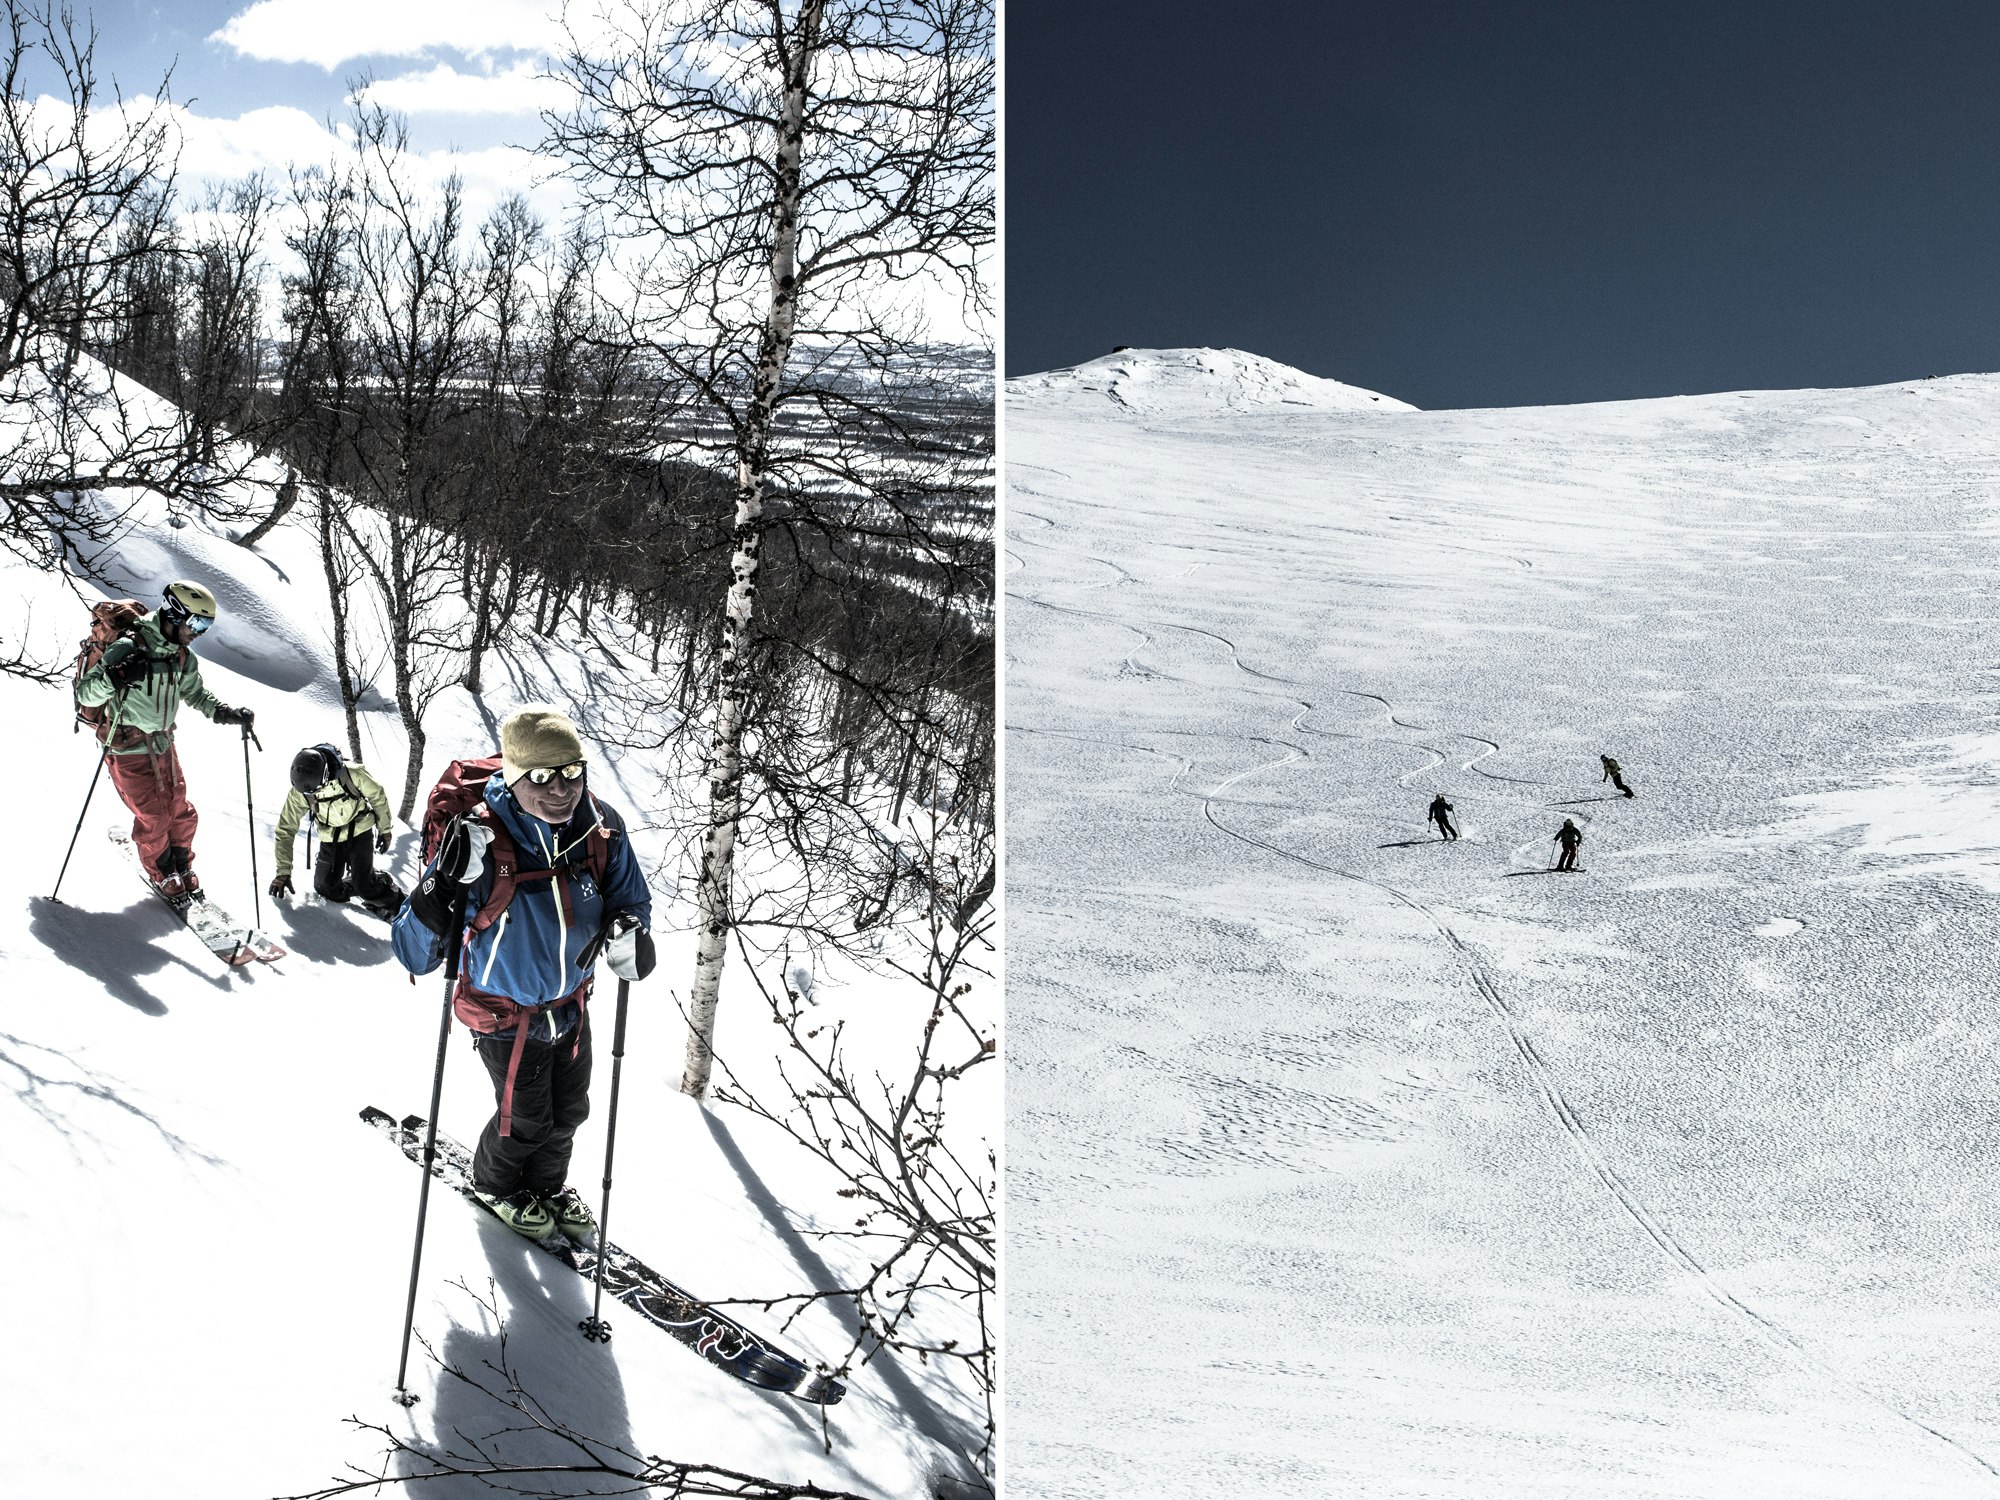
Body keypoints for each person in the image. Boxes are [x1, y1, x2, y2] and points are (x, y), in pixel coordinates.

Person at [390, 705, 655, 1242]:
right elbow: (414, 953)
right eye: (541, 776)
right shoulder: (480, 841)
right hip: (504, 1013)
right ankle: (496, 1186)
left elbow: (630, 897)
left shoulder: (600, 829)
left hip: (572, 1007)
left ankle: (547, 1188)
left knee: (570, 1114)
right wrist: (441, 886)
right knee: (526, 1120)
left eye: (571, 771)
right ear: (513, 775)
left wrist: (632, 930)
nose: (560, 789)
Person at [72, 580, 255, 907]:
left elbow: (195, 693)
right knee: (153, 817)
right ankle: (161, 872)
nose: (199, 631)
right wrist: (117, 675)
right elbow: (87, 693)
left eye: (206, 624)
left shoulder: (181, 657)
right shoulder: (129, 646)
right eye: (196, 622)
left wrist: (224, 713)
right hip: (126, 747)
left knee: (180, 811)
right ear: (174, 613)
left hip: (163, 745)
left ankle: (181, 864)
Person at [270, 744, 404, 918]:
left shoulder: (351, 774)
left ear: (325, 776)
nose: (312, 794)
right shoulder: (302, 790)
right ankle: (374, 882)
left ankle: (401, 907)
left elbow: (377, 796)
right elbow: (285, 829)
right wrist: (283, 873)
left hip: (359, 830)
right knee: (324, 887)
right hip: (330, 836)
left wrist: (385, 830)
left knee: (364, 885)